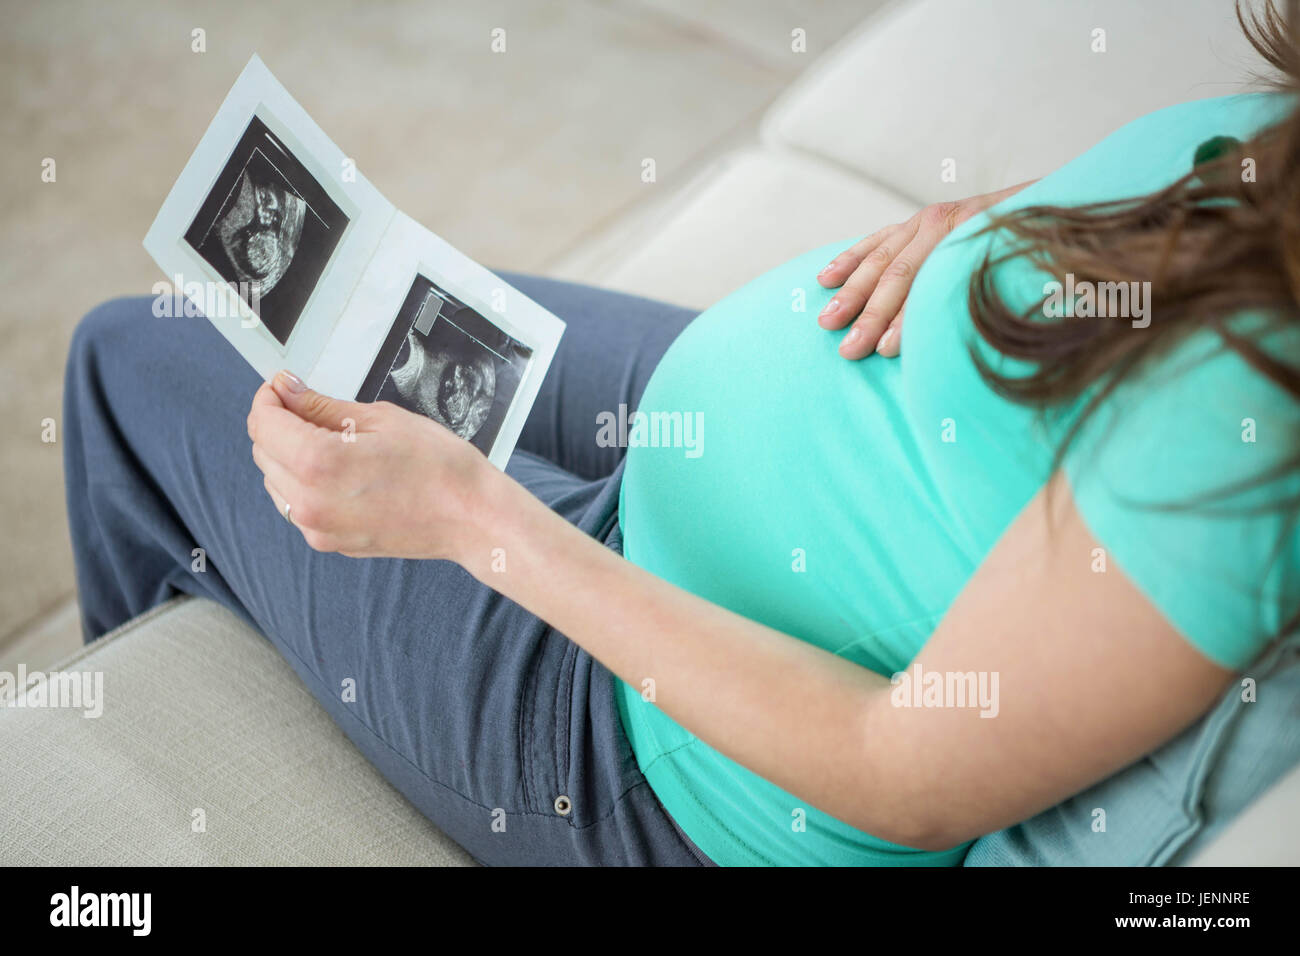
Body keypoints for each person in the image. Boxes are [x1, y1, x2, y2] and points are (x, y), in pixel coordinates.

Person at [63, 4, 1299, 865]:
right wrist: (1013, 231)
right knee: (346, 308)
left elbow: (899, 772)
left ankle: (129, 774)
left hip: (672, 755)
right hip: (766, 426)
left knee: (130, 356)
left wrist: (475, 520)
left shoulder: (1242, 442)